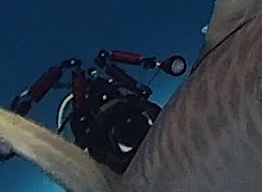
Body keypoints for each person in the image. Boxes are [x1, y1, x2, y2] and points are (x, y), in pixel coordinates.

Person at [2, 49, 186, 175]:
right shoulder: (87, 119)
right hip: (107, 132)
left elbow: (149, 105)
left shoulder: (126, 99)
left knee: (139, 107)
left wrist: (154, 64)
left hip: (124, 119)